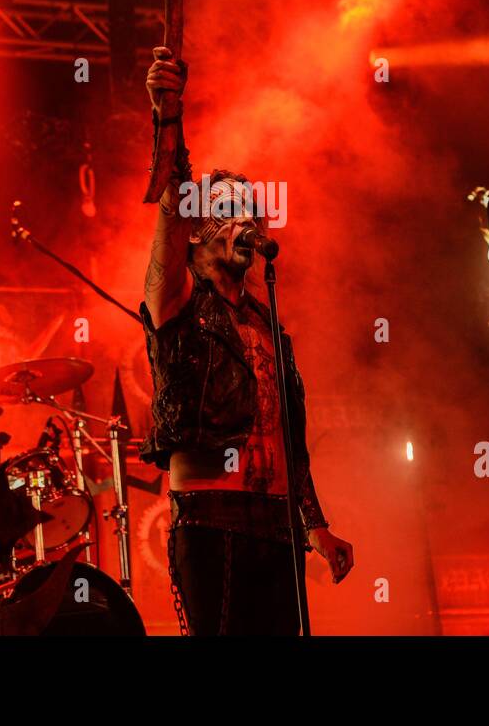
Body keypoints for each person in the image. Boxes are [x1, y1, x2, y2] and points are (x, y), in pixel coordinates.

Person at [138, 46, 354, 635]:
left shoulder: (267, 324)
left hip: (276, 527)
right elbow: (169, 208)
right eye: (230, 212)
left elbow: (288, 437)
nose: (249, 223)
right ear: (201, 229)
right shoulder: (178, 302)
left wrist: (315, 525)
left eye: (252, 213)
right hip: (209, 520)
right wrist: (168, 118)